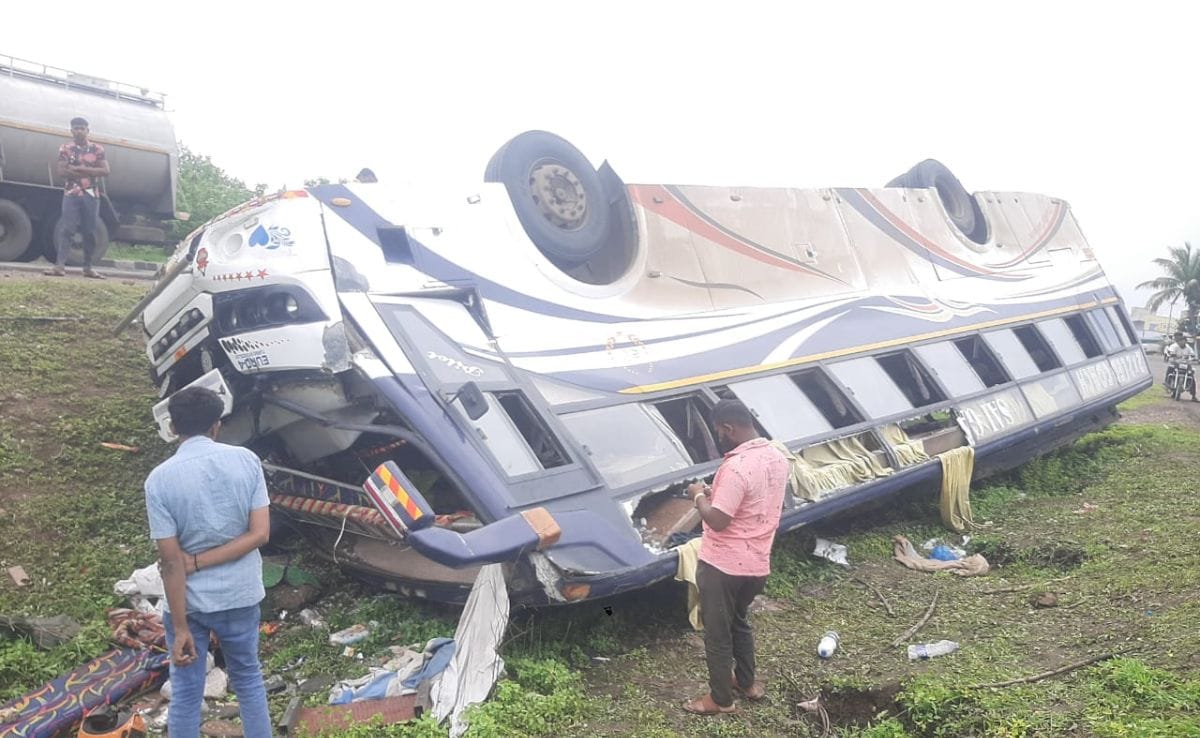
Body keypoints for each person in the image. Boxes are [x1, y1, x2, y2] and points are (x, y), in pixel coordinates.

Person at [144, 387, 273, 738]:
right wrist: (198, 562)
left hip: (190, 603)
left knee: (185, 692)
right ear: (217, 426)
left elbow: (171, 563)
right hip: (241, 595)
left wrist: (182, 628)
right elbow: (260, 534)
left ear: (172, 427)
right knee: (248, 680)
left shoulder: (159, 480)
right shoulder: (246, 461)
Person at [683, 399, 789, 715]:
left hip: (723, 566)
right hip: (757, 564)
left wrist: (698, 496)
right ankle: (746, 682)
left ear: (728, 428)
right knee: (739, 621)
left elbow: (717, 520)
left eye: (718, 431)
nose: (718, 436)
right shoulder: (778, 458)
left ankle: (720, 700)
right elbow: (755, 503)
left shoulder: (736, 466)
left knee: (717, 633)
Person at [45, 117, 110, 279]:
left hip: (91, 195)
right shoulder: (65, 148)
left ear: (88, 130)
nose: (79, 131)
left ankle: (88, 267)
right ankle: (59, 266)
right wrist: (90, 170)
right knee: (67, 229)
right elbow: (61, 171)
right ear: (71, 130)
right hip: (71, 194)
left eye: (82, 128)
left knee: (89, 231)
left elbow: (105, 170)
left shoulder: (97, 149)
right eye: (76, 128)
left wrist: (77, 168)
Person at [1163, 332, 1197, 399]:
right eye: (1179, 341)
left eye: (1182, 341)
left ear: (1185, 341)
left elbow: (1192, 354)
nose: (1181, 342)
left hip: (1186, 364)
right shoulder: (1174, 346)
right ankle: (1167, 384)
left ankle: (1193, 395)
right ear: (1178, 341)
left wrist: (1193, 357)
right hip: (1175, 363)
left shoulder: (1188, 347)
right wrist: (1171, 354)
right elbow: (1170, 351)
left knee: (1191, 377)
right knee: (1169, 370)